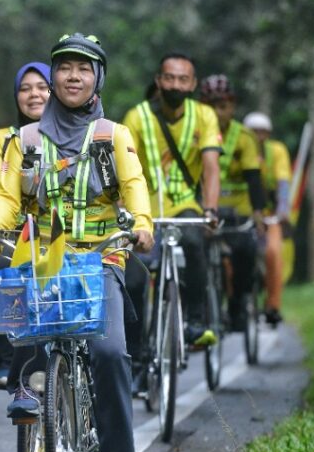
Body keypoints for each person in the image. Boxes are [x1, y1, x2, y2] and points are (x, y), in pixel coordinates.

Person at [0, 33, 154, 452]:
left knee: (111, 352)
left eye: (84, 68)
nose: (73, 76)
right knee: (18, 305)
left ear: (98, 79)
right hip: (44, 260)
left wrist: (142, 224)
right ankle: (28, 386)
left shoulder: (113, 136)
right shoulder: (26, 140)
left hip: (101, 260)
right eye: (64, 68)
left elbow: (134, 187)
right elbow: (7, 198)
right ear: (52, 78)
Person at [122, 53, 222, 378]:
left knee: (194, 242)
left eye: (183, 79)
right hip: (143, 207)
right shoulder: (136, 117)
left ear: (192, 84)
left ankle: (195, 322)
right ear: (158, 80)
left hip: (183, 204)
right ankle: (136, 357)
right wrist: (125, 210)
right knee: (135, 276)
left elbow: (210, 166)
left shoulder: (205, 115)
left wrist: (209, 210)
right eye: (169, 78)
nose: (175, 85)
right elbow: (123, 167)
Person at [0, 61, 52, 390]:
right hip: (16, 235)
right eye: (25, 88)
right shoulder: (2, 140)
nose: (34, 94)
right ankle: (6, 361)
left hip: (65, 235)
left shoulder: (76, 134)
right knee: (3, 270)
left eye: (42, 87)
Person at [198, 74, 267, 331]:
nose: (217, 112)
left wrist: (258, 213)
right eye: (211, 106)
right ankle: (202, 309)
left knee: (246, 253)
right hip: (205, 207)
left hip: (238, 210)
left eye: (223, 106)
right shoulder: (194, 132)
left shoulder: (244, 137)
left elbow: (254, 178)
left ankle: (238, 303)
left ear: (232, 107)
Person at [243, 111, 291, 326]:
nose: (258, 136)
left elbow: (283, 182)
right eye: (254, 132)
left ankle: (272, 305)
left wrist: (282, 210)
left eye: (263, 132)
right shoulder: (236, 149)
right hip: (244, 213)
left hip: (270, 215)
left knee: (273, 252)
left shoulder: (277, 151)